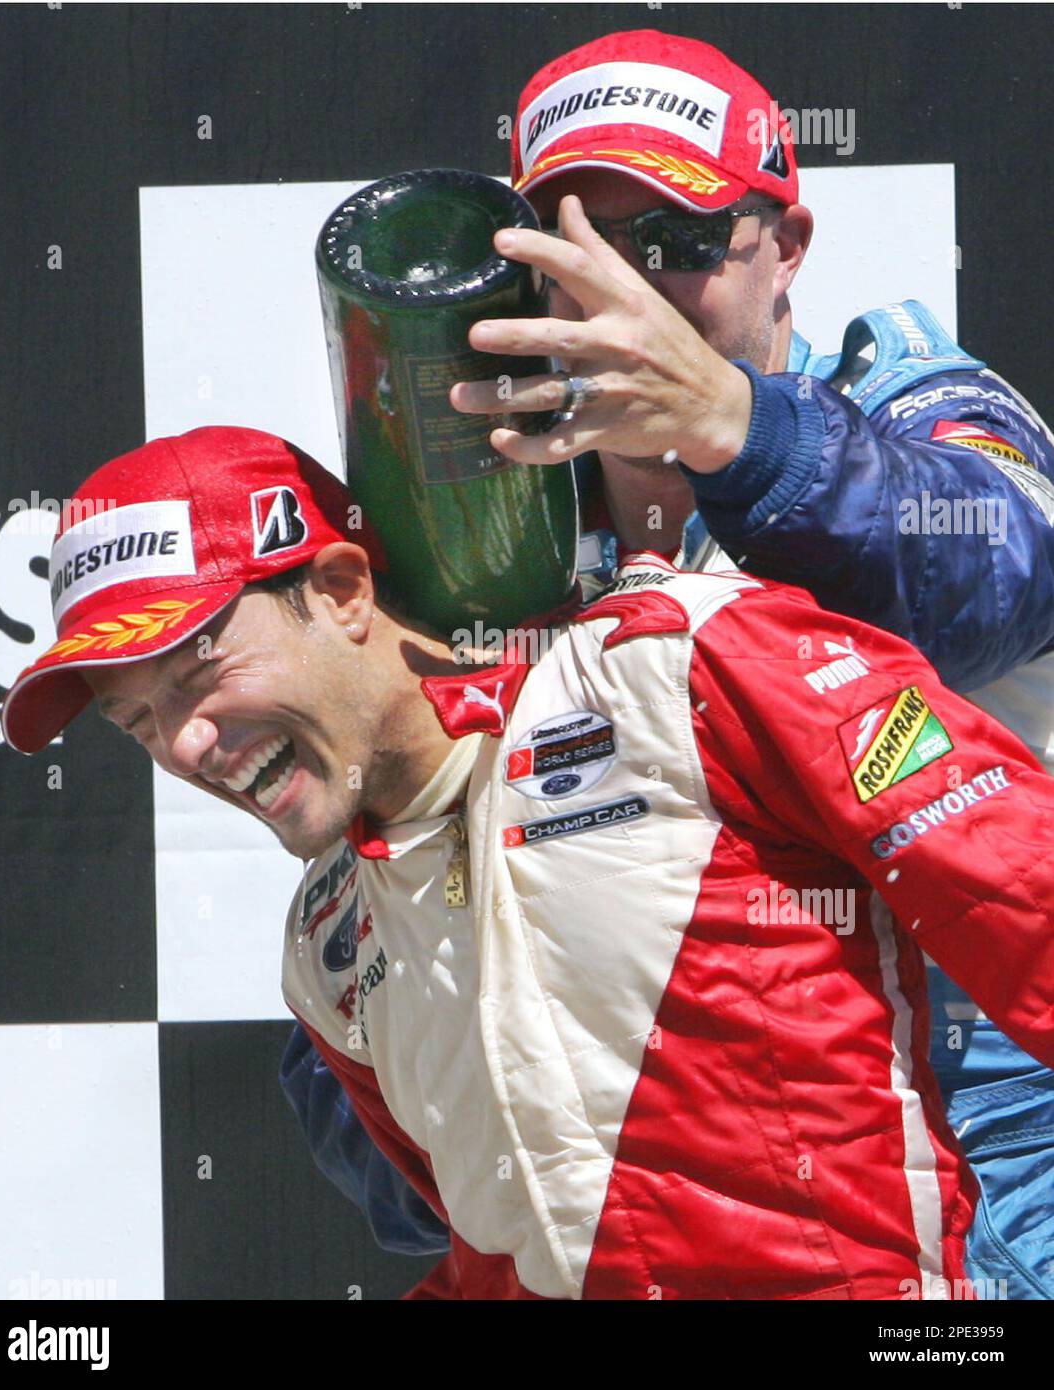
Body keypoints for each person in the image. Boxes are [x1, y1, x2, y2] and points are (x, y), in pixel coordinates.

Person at [291, 29, 1054, 1295]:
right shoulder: (478, 546)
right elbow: (396, 1118)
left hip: (995, 1150)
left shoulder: (915, 400)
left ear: (786, 248)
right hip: (701, 1192)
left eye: (675, 246)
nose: (620, 290)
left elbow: (999, 578)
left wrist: (730, 431)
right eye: (570, 242)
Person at [1, 425, 1054, 1299]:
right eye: (139, 723)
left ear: (340, 587)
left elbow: (1029, 899)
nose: (185, 746)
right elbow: (507, 1253)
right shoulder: (325, 948)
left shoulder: (675, 668)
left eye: (196, 674)